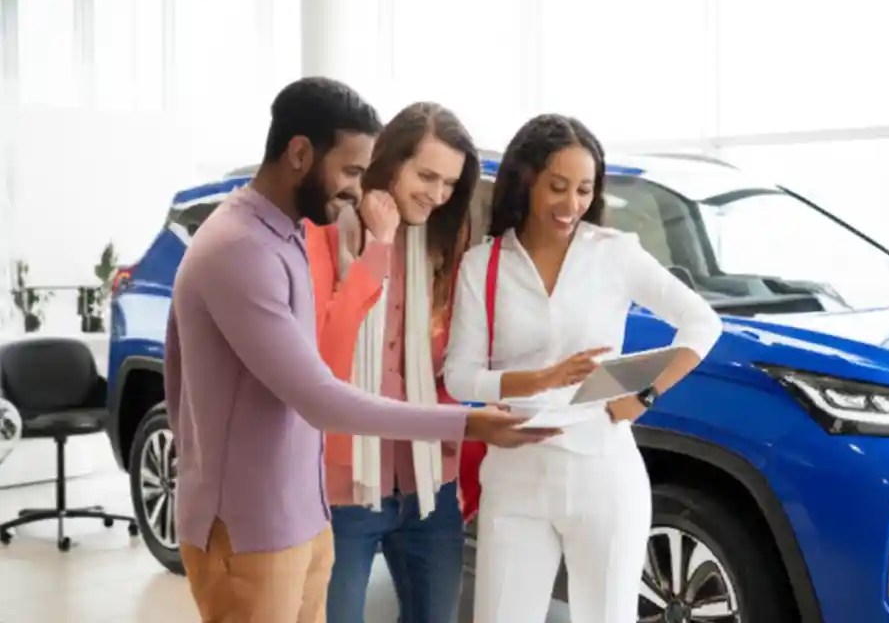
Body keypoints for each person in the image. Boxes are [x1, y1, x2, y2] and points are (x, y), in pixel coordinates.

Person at [163, 77, 557, 623]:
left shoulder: (288, 233)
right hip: (283, 508)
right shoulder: (256, 245)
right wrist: (468, 425)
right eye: (352, 170)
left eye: (449, 182)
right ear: (302, 154)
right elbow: (322, 381)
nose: (438, 193)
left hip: (323, 505)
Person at [443, 113, 723, 623]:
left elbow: (701, 323)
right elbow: (459, 376)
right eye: (557, 187)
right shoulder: (482, 265)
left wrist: (644, 397)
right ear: (525, 180)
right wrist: (538, 381)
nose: (572, 204)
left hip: (604, 470)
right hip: (515, 476)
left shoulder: (614, 255)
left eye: (583, 190)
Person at [306, 102, 480, 623]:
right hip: (345, 485)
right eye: (426, 175)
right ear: (387, 163)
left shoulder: (446, 241)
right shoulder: (326, 237)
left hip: (429, 484)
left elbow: (454, 361)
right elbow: (328, 355)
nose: (439, 194)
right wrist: (379, 246)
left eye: (450, 183)